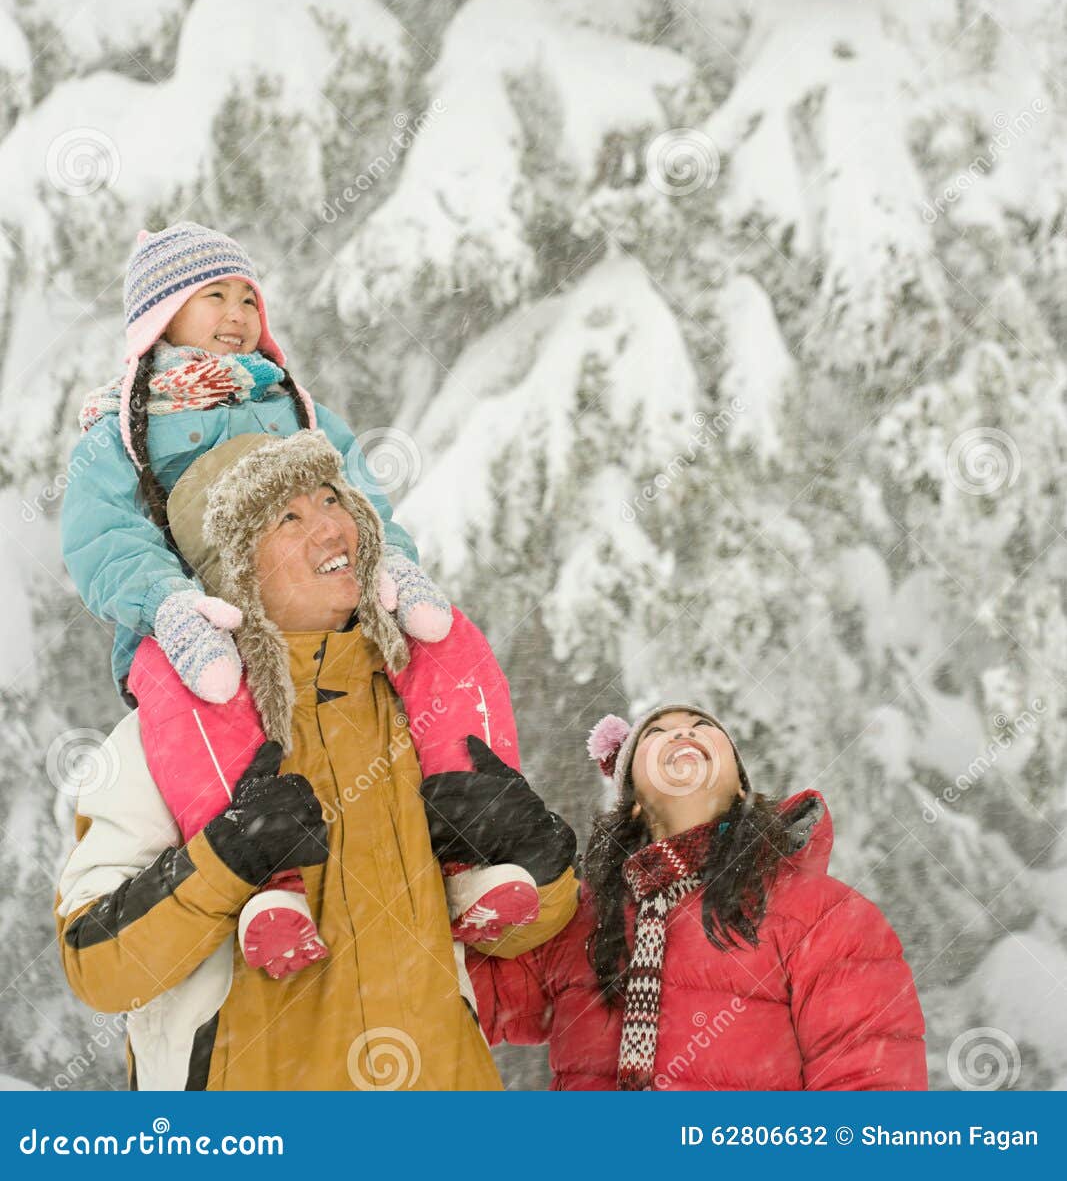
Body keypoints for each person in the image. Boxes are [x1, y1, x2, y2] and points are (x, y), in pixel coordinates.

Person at [61, 221, 542, 973]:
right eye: (211, 296)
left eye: (247, 298)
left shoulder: (293, 407)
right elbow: (102, 538)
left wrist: (397, 567)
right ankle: (266, 882)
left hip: (323, 614)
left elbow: (360, 496)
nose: (236, 315)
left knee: (445, 645)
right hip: (193, 618)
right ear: (159, 319)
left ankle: (469, 842)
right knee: (199, 692)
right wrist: (168, 604)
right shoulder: (124, 430)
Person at [54, 430, 579, 1091]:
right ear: (233, 570)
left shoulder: (425, 714)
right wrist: (222, 860)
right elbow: (99, 967)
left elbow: (516, 948)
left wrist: (539, 857)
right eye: (290, 517)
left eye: (332, 499)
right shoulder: (160, 739)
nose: (332, 527)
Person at [469, 703, 928, 1091]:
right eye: (656, 732)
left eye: (703, 727)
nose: (685, 731)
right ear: (632, 798)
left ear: (742, 788)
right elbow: (450, 1000)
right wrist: (496, 870)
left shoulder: (826, 916)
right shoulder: (581, 923)